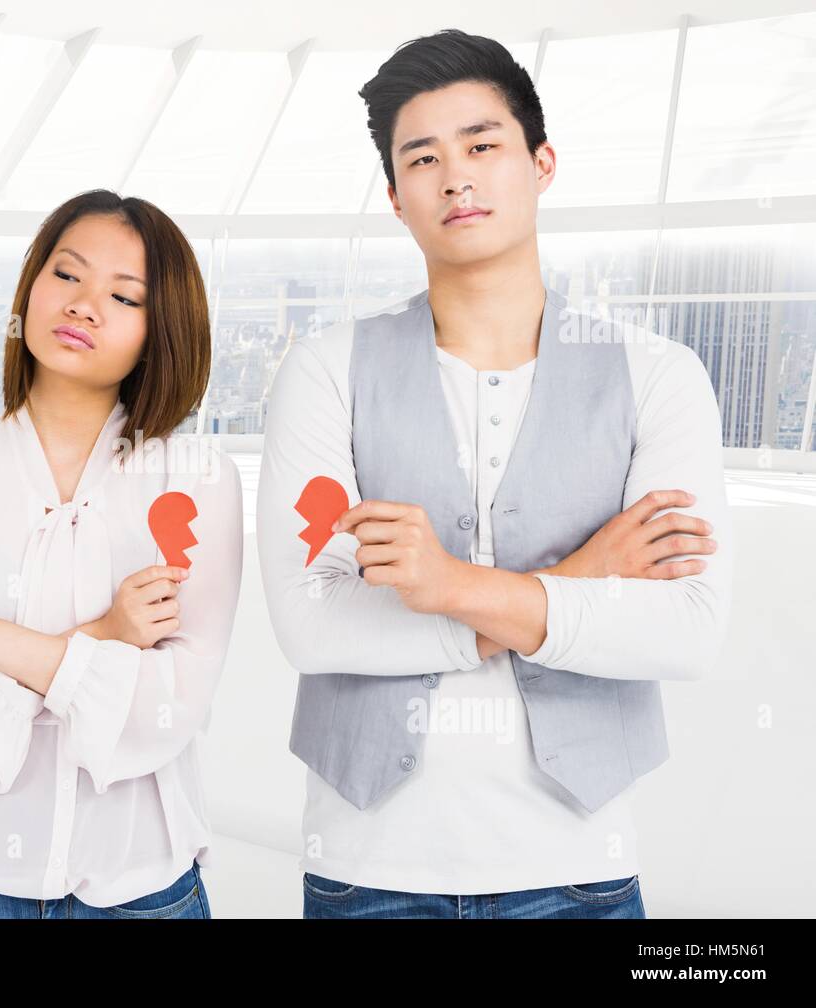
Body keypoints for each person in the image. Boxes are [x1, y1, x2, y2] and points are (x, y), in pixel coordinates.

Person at [256, 29, 733, 919]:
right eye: (423, 158)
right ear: (396, 198)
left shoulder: (656, 374)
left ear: (541, 162)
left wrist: (447, 588)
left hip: (579, 867)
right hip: (370, 871)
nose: (457, 177)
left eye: (482, 146)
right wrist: (582, 579)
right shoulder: (326, 370)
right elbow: (311, 624)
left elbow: (687, 631)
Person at [0, 190, 242, 919]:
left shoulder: (195, 482)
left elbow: (168, 711)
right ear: (32, 286)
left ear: (160, 328)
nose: (84, 305)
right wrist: (102, 638)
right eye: (66, 275)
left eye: (124, 295)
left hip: (144, 892)